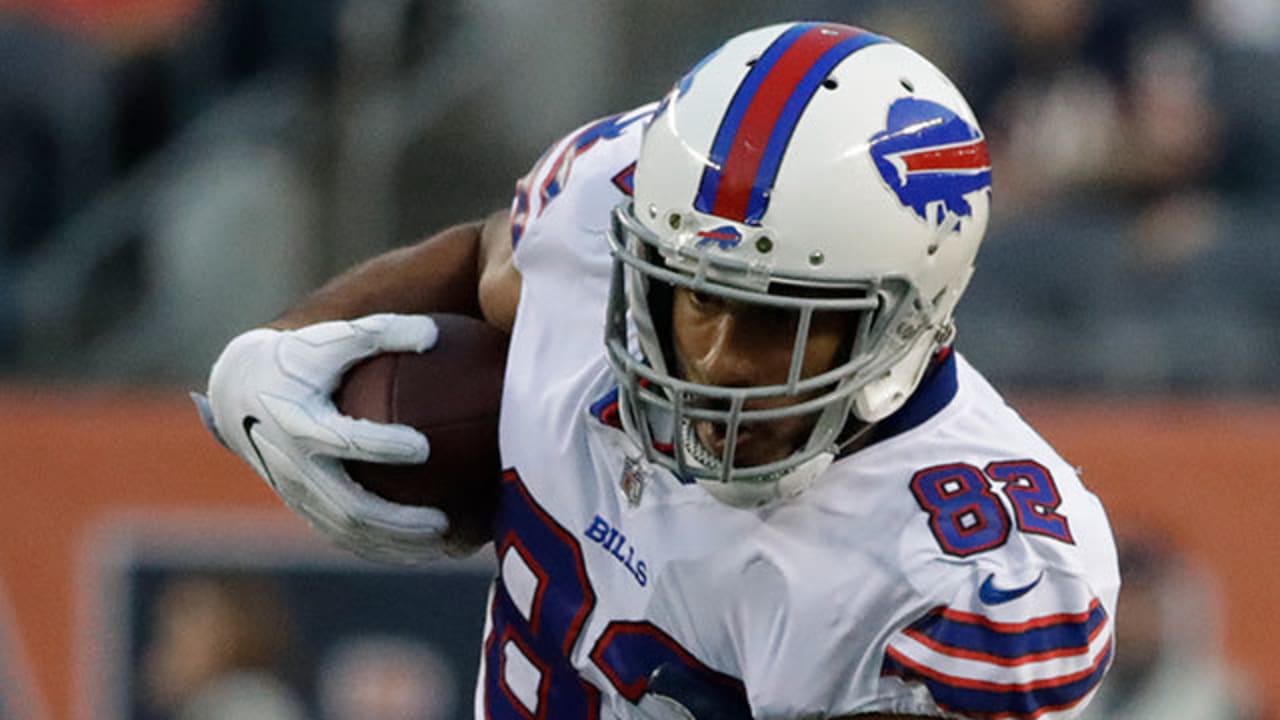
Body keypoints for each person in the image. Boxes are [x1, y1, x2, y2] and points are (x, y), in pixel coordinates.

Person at [197, 21, 1120, 719]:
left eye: (773, 324)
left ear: (904, 319)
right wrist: (279, 348)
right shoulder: (607, 208)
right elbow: (493, 258)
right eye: (694, 298)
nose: (712, 362)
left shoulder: (969, 573)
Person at [141, 573, 308, 720]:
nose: (159, 653)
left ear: (229, 639)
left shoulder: (248, 706)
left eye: (174, 636)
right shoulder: (210, 706)